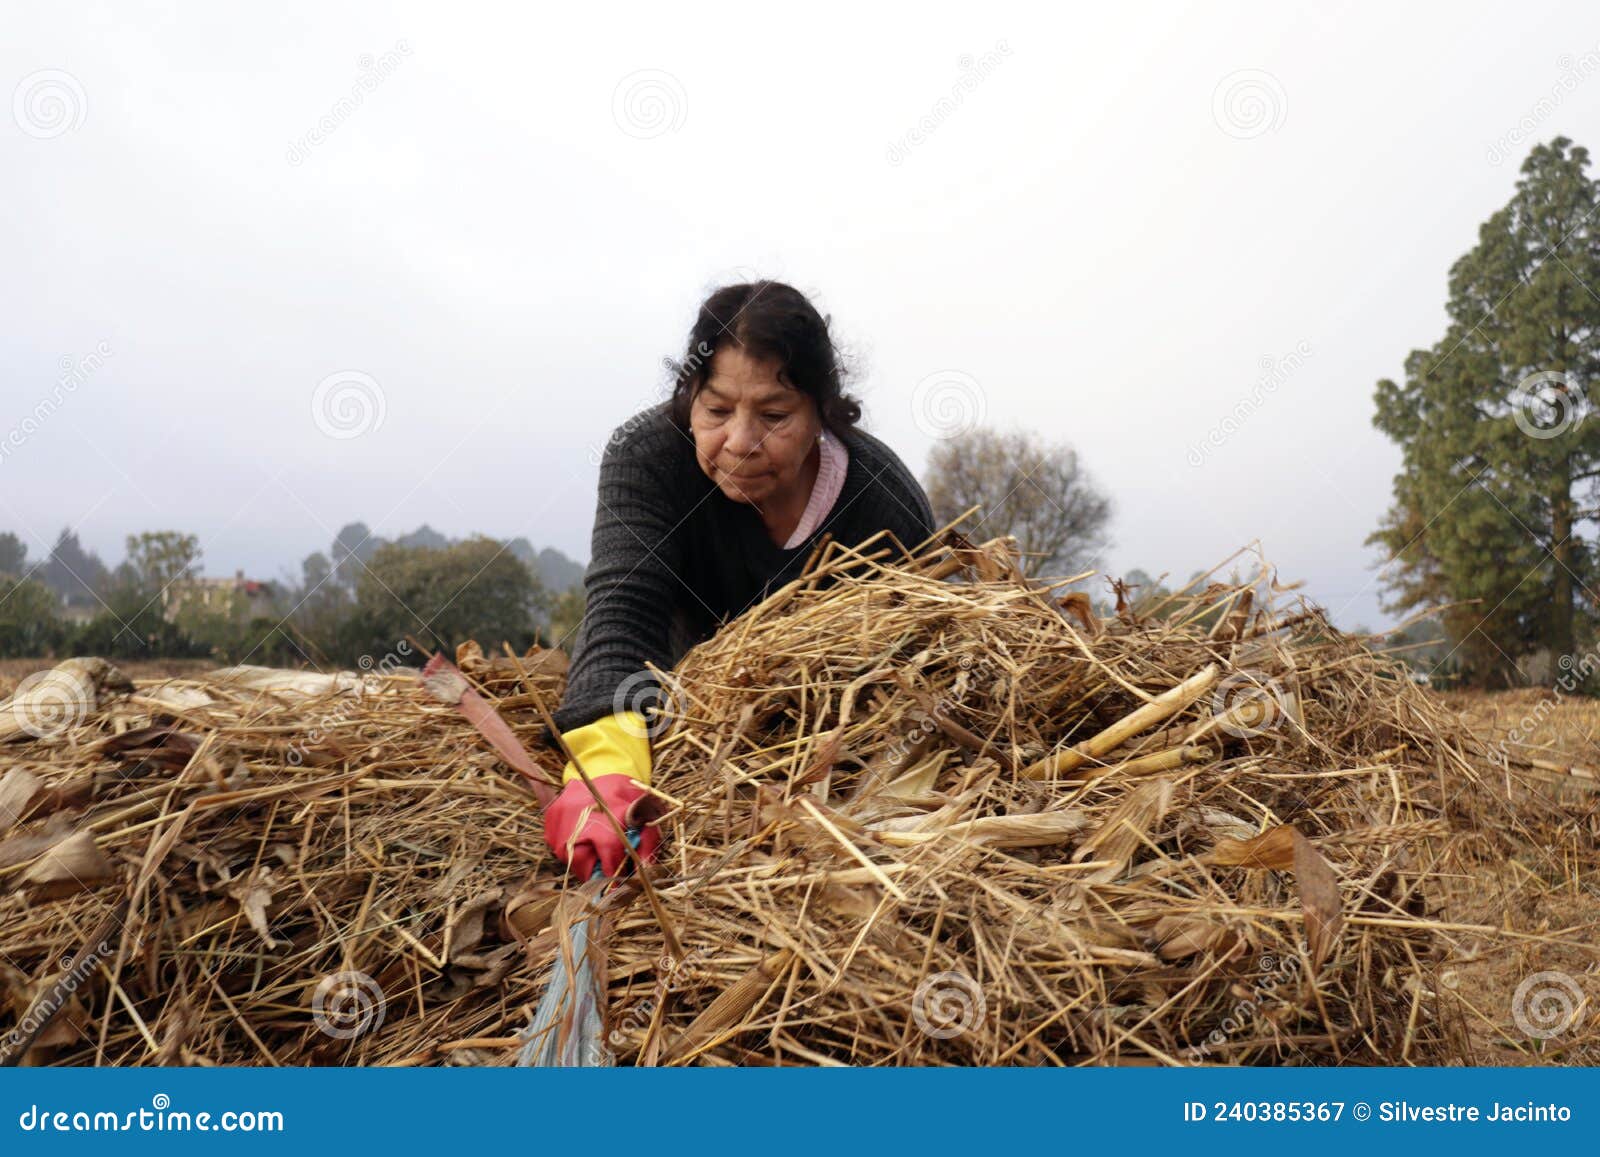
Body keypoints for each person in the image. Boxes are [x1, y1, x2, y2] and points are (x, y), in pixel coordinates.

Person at [543, 280, 936, 878]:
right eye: (717, 410)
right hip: (679, 721)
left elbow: (922, 667)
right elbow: (622, 618)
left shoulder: (882, 504)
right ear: (690, 396)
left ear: (821, 414)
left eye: (775, 416)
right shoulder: (647, 458)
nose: (740, 443)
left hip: (826, 752)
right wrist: (606, 774)